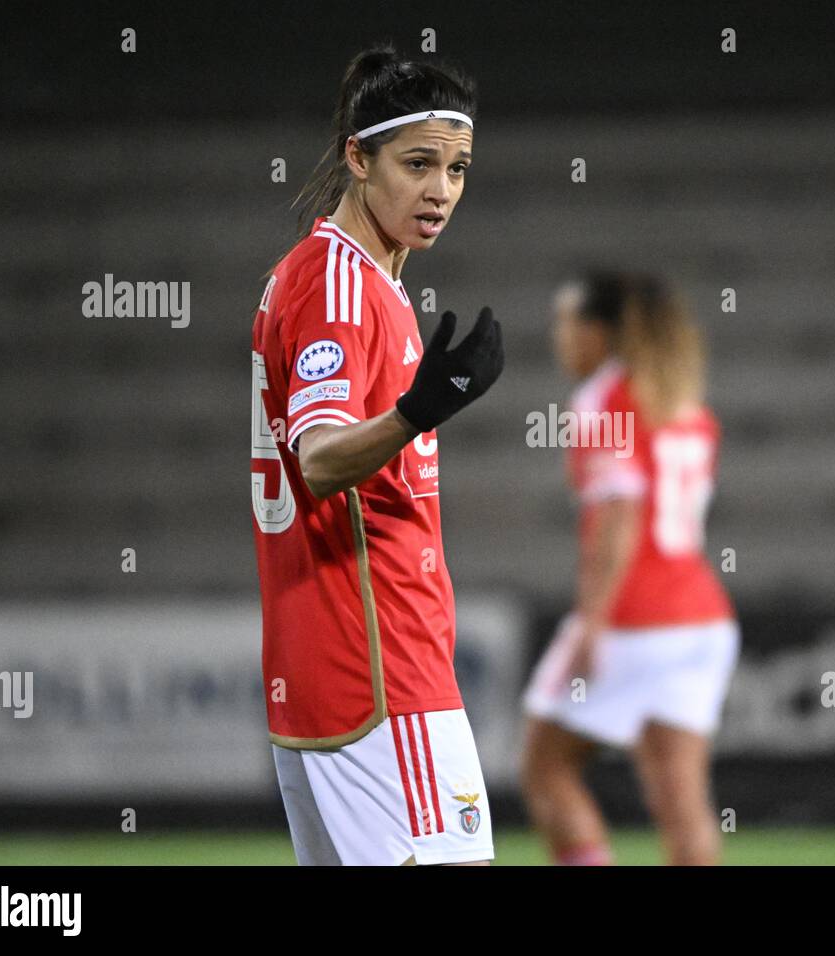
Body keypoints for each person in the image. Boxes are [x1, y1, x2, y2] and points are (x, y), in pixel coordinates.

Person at [249, 43, 504, 865]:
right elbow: (319, 462)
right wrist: (417, 412)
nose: (441, 191)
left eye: (458, 169)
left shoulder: (356, 279)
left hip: (330, 672)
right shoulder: (337, 283)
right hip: (382, 675)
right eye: (418, 163)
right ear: (358, 157)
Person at [521, 271, 739, 865]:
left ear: (600, 331)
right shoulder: (684, 400)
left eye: (567, 322)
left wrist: (592, 621)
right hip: (702, 621)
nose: (559, 336)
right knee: (683, 802)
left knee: (546, 769)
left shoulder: (605, 397)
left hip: (635, 617)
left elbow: (621, 514)